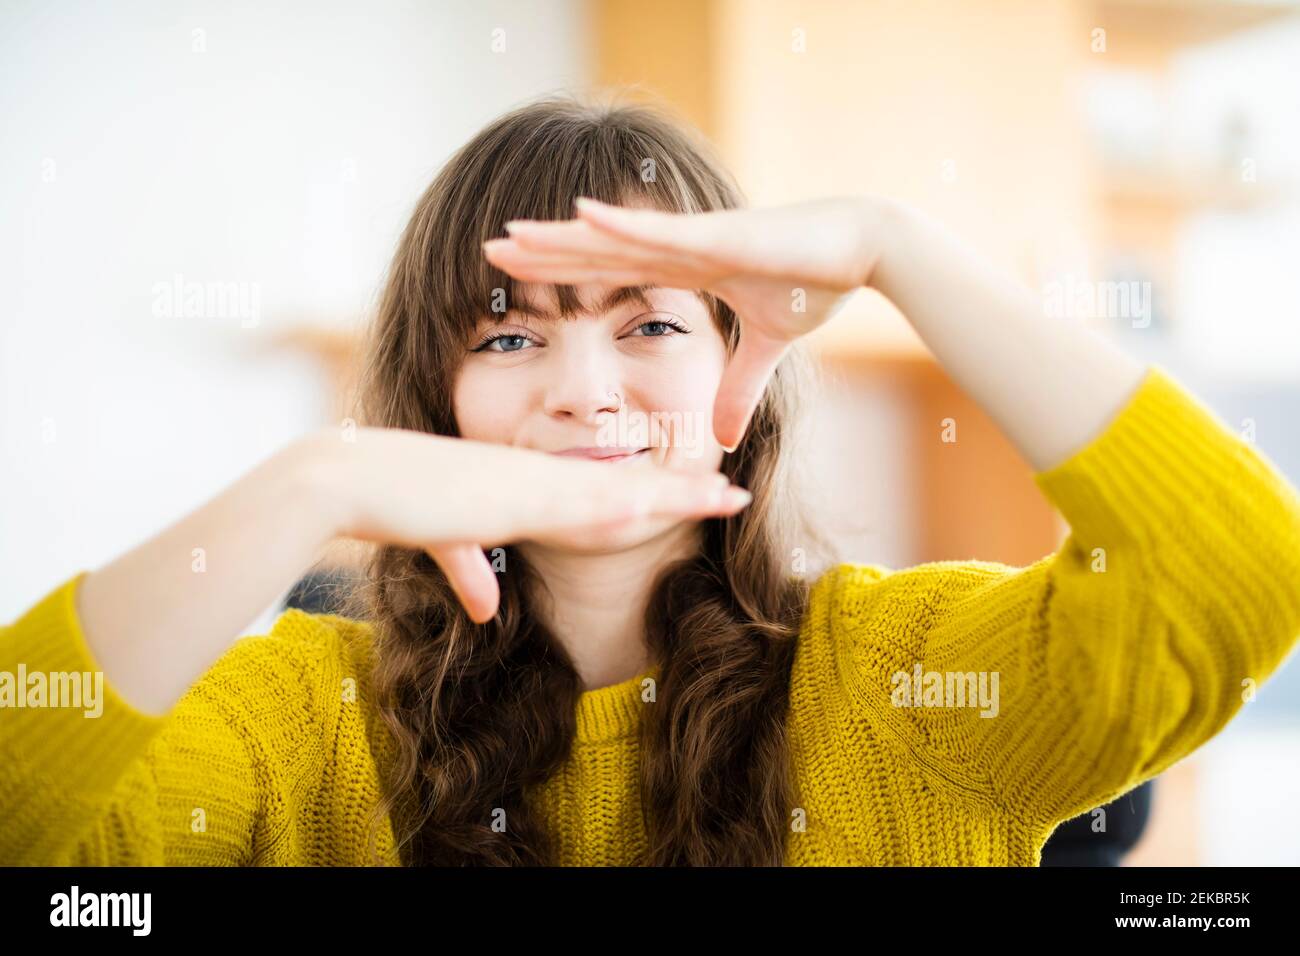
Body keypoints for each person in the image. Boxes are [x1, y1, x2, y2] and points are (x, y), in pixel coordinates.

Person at [3, 95, 1298, 867]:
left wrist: (897, 247)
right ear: (434, 398)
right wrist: (303, 485)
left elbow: (1237, 574)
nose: (582, 387)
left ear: (744, 374)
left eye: (651, 324)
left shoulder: (904, 683)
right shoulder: (305, 716)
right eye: (507, 335)